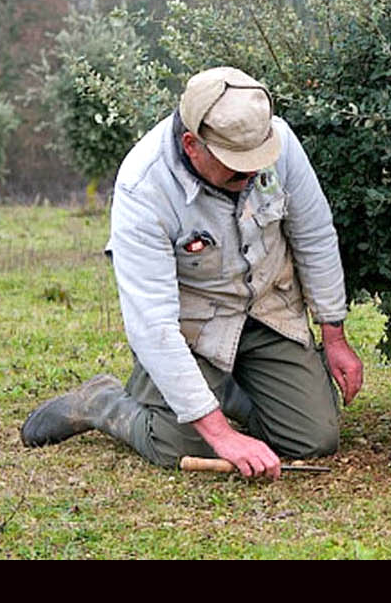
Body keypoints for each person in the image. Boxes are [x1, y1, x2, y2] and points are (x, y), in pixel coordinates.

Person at [20, 66, 364, 479]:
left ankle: (231, 393)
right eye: (238, 169)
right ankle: (103, 402)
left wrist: (334, 335)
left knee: (314, 439)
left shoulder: (280, 140)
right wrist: (222, 435)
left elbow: (315, 235)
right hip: (193, 331)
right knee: (180, 444)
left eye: (258, 163)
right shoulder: (142, 187)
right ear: (192, 145)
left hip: (269, 310)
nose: (252, 175)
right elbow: (154, 327)